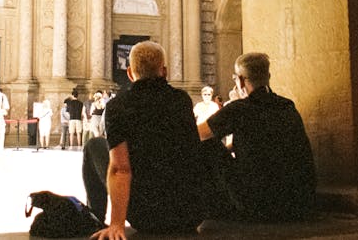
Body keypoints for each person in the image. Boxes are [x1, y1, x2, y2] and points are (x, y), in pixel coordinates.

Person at [83, 41, 207, 239]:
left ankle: (94, 218)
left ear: (130, 73)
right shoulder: (182, 99)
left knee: (93, 145)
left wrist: (117, 224)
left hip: (146, 215)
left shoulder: (118, 106)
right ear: (164, 71)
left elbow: (120, 168)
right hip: (189, 213)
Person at [197, 52, 316, 222]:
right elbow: (265, 143)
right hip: (296, 203)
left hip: (257, 204)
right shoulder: (287, 106)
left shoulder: (238, 109)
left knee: (207, 145)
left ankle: (210, 208)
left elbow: (198, 134)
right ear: (268, 76)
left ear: (240, 80)